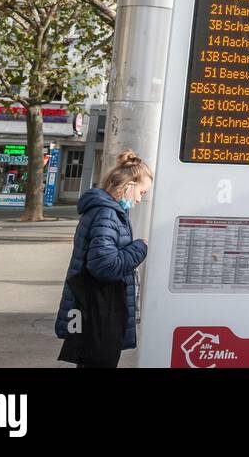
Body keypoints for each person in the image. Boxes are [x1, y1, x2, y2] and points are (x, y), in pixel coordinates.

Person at [55, 151, 152, 368]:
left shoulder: (107, 211)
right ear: (129, 184)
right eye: (141, 192)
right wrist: (141, 246)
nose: (139, 199)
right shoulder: (107, 214)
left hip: (95, 308)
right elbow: (105, 266)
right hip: (99, 311)